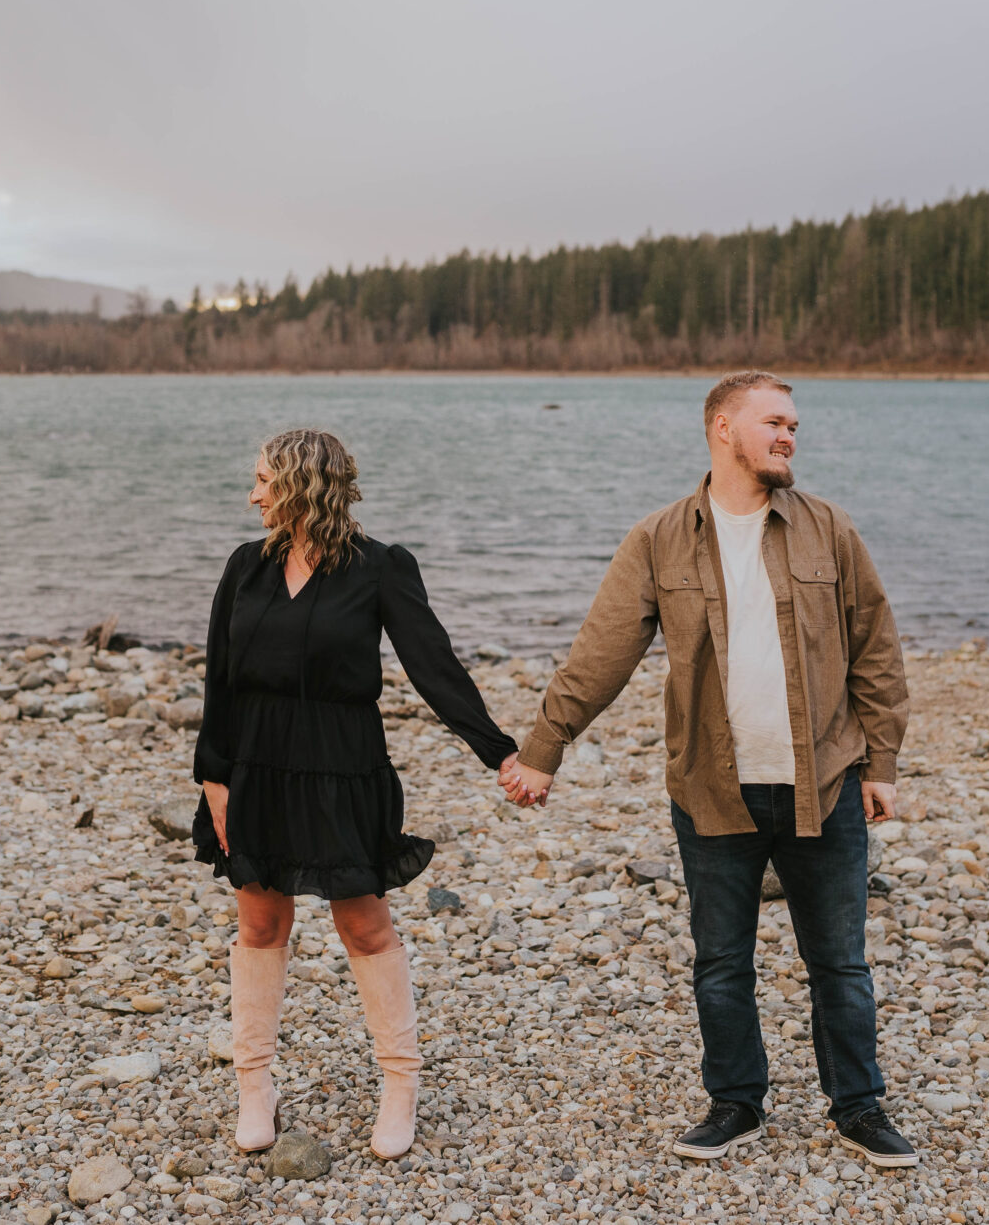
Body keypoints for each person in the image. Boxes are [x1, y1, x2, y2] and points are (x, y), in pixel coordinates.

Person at [499, 371, 918, 1168]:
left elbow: (876, 646)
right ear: (723, 427)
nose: (789, 435)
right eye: (774, 422)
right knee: (721, 962)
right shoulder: (659, 539)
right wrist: (544, 748)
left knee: (839, 963)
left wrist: (883, 761)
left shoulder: (829, 528)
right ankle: (736, 1102)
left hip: (824, 784)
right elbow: (602, 652)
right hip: (711, 787)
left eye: (794, 424)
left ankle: (859, 1106)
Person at [194, 428, 520, 1161]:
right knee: (259, 923)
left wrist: (500, 752)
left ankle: (400, 1084)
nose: (252, 496)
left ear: (302, 486)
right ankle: (254, 1087)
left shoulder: (380, 568)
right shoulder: (246, 566)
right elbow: (220, 677)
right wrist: (214, 776)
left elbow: (434, 666)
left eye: (263, 482)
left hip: (342, 765)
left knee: (364, 924)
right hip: (256, 765)